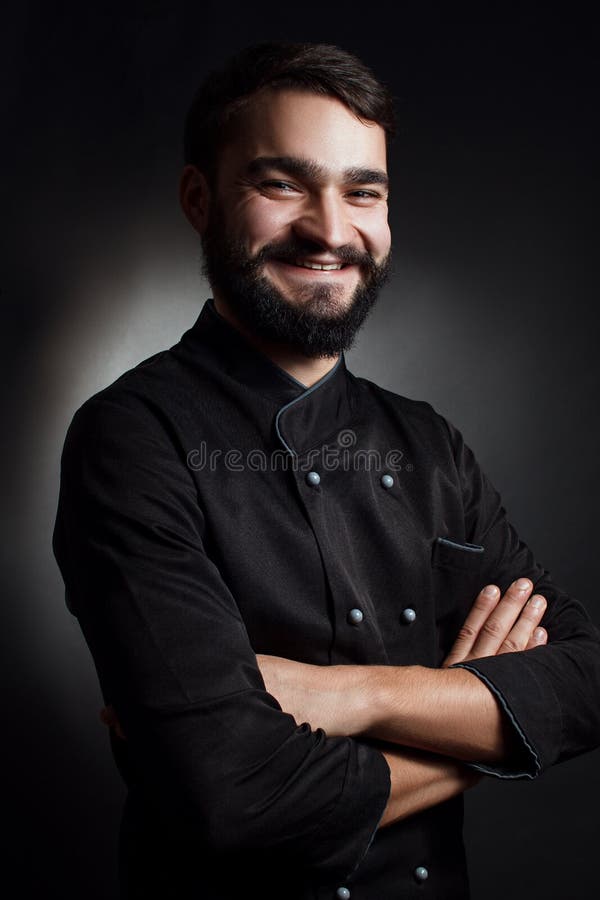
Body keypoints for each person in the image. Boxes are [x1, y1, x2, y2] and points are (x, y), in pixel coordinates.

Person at [53, 42, 600, 900]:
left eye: (363, 191)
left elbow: (588, 679)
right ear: (200, 199)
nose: (332, 229)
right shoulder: (131, 438)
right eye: (283, 185)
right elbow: (231, 799)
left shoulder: (429, 443)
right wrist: (484, 723)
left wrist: (350, 696)